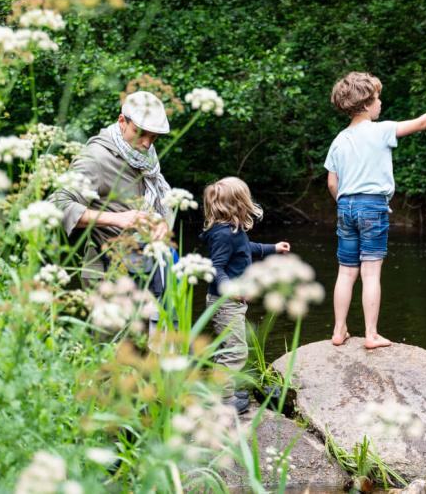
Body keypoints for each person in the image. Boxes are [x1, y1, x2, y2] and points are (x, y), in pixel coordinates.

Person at [324, 72, 426, 349]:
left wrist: (345, 204)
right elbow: (421, 123)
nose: (380, 102)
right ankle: (371, 335)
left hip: (345, 207)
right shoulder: (380, 130)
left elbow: (332, 182)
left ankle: (338, 331)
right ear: (366, 104)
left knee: (346, 272)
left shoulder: (338, 140)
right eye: (377, 97)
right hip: (372, 205)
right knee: (371, 272)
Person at [49, 91, 173, 293]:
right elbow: (57, 204)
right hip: (107, 276)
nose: (147, 143)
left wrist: (159, 223)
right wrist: (117, 219)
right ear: (122, 121)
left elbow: (147, 206)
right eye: (140, 133)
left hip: (145, 270)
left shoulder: (145, 158)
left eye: (154, 137)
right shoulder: (95, 158)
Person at [200, 176, 291, 413]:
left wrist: (272, 248)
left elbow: (245, 249)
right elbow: (216, 267)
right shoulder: (223, 234)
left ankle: (224, 390)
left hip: (231, 303)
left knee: (230, 348)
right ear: (240, 203)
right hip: (225, 303)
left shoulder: (233, 230)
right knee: (235, 351)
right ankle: (225, 399)